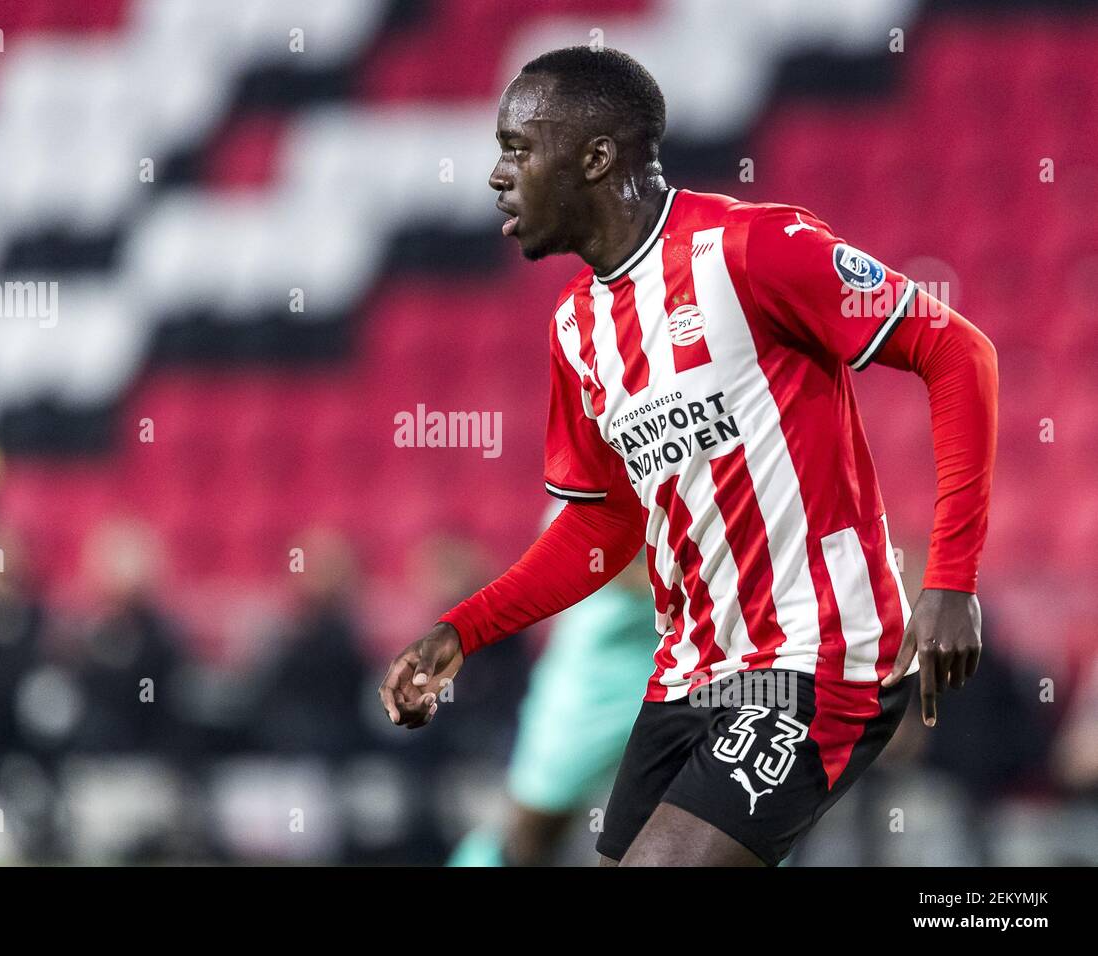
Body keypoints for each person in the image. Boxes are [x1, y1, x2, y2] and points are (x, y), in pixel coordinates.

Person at [379, 46, 998, 867]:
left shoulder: (753, 249)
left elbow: (957, 352)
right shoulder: (576, 329)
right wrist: (462, 629)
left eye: (518, 148)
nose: (498, 174)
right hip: (685, 673)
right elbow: (602, 527)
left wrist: (950, 580)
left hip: (817, 655)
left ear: (596, 157)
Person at [448, 517, 658, 867]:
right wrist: (699, 578)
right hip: (598, 675)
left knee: (727, 808)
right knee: (536, 825)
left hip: (695, 662)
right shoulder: (601, 468)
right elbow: (592, 556)